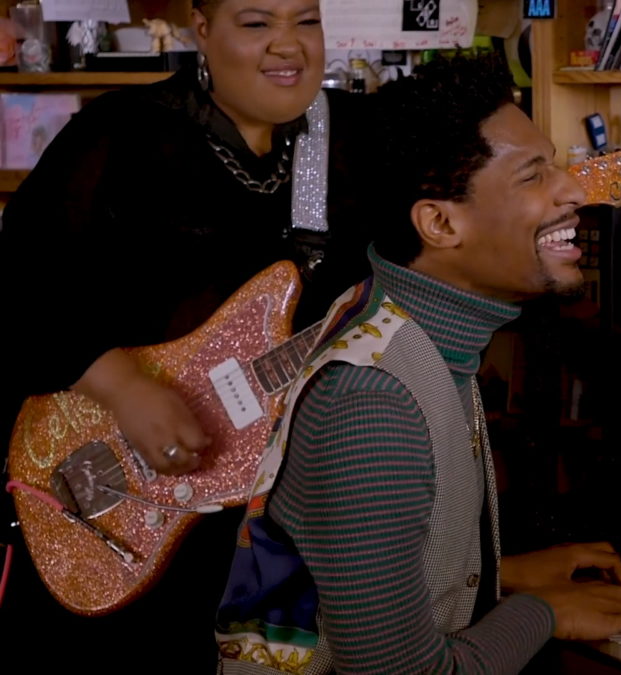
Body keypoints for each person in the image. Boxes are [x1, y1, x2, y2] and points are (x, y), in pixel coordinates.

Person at [214, 52, 621, 674]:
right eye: (533, 176)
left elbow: (360, 579)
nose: (575, 190)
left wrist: (498, 575)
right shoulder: (371, 405)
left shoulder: (397, 321)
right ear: (440, 223)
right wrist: (544, 613)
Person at [0, 0, 374, 670]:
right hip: (113, 505)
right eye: (257, 23)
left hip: (282, 533)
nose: (287, 47)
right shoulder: (122, 136)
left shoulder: (349, 139)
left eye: (306, 21)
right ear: (201, 28)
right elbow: (20, 283)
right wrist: (119, 385)